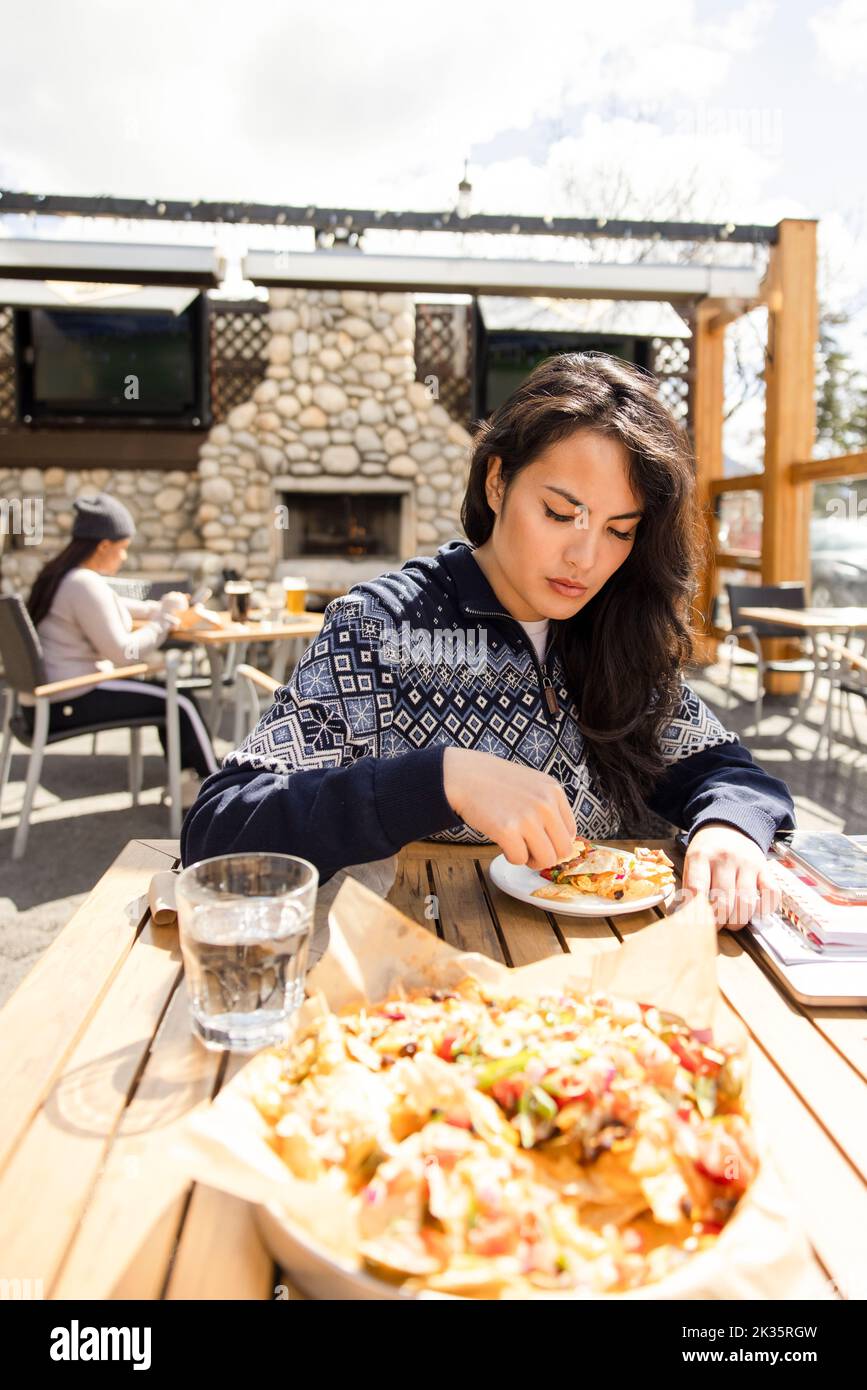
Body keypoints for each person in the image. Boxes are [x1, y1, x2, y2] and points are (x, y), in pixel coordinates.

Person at [181, 353, 795, 928]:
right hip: (432, 972)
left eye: (619, 530)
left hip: (615, 976)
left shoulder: (616, 631)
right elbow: (219, 831)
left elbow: (731, 774)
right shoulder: (383, 628)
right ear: (498, 483)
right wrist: (439, 779)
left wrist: (729, 828)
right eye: (560, 513)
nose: (585, 558)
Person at [25, 491, 218, 794]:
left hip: (54, 696)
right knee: (180, 702)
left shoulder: (60, 576)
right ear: (103, 545)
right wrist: (165, 620)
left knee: (169, 695)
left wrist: (162, 608)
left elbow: (118, 606)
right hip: (73, 696)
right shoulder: (83, 584)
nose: (125, 556)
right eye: (123, 548)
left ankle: (186, 785)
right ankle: (217, 791)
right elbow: (124, 653)